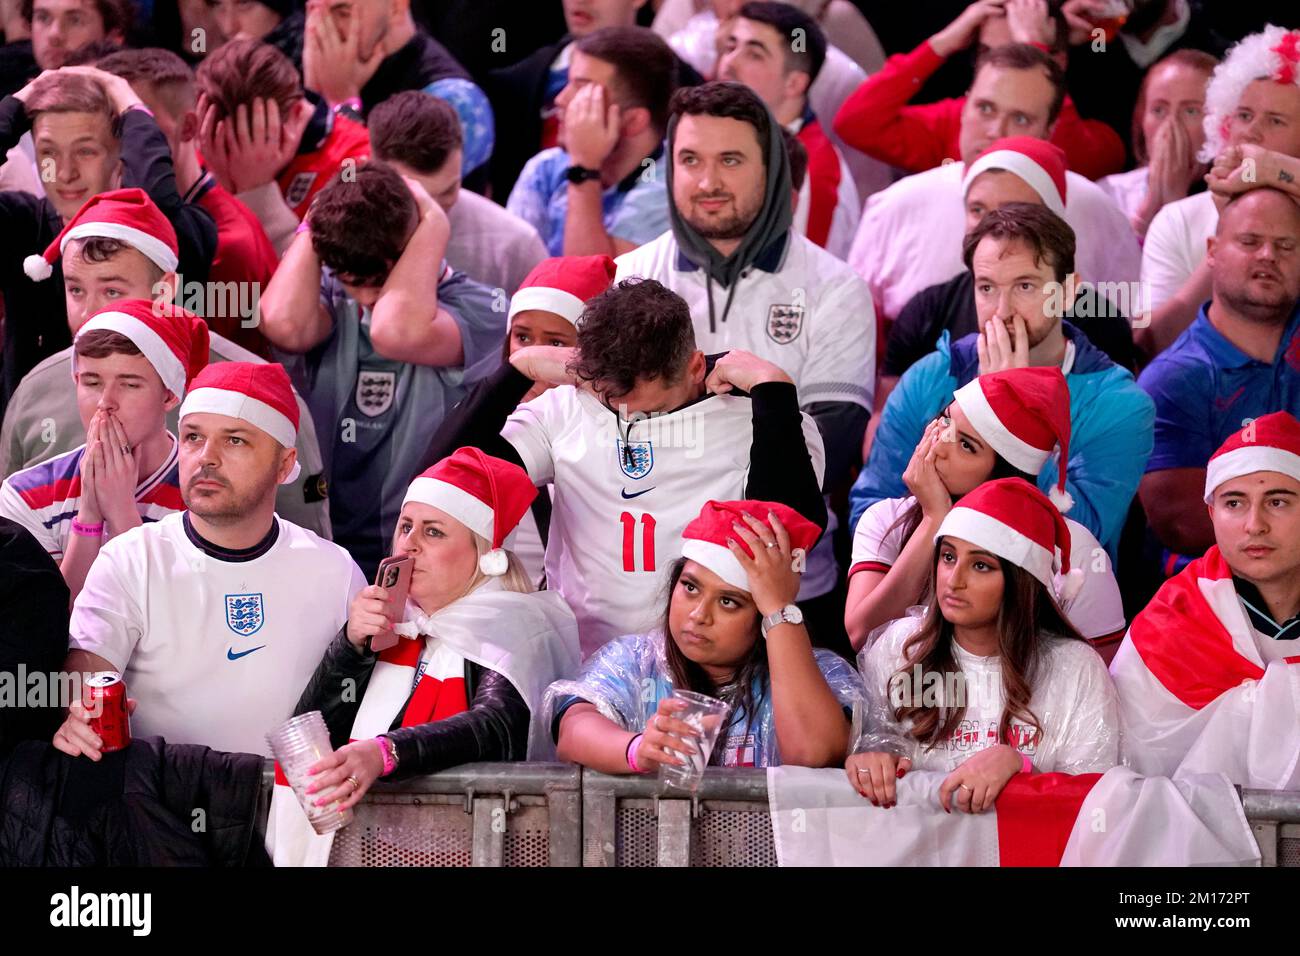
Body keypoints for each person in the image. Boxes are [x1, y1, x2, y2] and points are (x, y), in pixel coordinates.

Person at [422, 276, 827, 658]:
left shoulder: (766, 417)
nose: (630, 419)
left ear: (696, 367)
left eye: (647, 409)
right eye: (613, 404)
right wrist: (516, 371)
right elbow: (442, 481)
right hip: (579, 663)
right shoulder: (569, 407)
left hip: (707, 669)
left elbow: (789, 533)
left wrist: (773, 389)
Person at [615, 81, 875, 652]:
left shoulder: (835, 286)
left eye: (730, 160)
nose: (707, 182)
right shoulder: (628, 277)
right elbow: (614, 432)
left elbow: (828, 447)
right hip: (645, 596)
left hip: (790, 592)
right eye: (690, 160)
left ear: (772, 168)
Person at [267, 447, 581, 866]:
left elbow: (494, 727)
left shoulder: (517, 624)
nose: (409, 544)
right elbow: (308, 737)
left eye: (433, 532)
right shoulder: (397, 625)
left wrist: (384, 753)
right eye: (405, 526)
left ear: (485, 553)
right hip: (376, 850)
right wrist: (352, 647)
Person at [51, 361, 366, 759]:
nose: (206, 458)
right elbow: (85, 676)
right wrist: (79, 715)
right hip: (160, 810)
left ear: (285, 465)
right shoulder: (131, 558)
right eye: (193, 437)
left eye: (235, 440)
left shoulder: (335, 571)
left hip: (291, 813)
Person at [0, 188, 334, 539]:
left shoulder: (257, 393)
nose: (89, 313)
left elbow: (305, 547)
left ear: (165, 290)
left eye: (112, 291)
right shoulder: (36, 390)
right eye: (76, 290)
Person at [850, 203, 1155, 563]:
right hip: (927, 596)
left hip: (1050, 610)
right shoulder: (928, 376)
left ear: (1069, 291)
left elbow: (1074, 540)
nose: (1002, 310)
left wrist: (1008, 412)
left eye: (1025, 286)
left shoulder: (1120, 405)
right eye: (987, 288)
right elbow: (869, 513)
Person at [259, 162, 503, 578]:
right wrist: (316, 220)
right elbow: (281, 322)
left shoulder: (482, 307)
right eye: (352, 280)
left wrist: (433, 226)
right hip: (322, 548)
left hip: (420, 560)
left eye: (378, 278)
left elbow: (396, 332)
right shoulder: (330, 297)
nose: (365, 293)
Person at [846, 477, 1119, 811]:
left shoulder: (1076, 669)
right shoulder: (898, 649)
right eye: (947, 557)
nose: (954, 580)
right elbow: (872, 748)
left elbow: (1098, 806)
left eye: (980, 565)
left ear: (1021, 582)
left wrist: (1019, 766)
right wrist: (869, 762)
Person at [549, 497, 860, 773]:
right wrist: (637, 751)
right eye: (690, 587)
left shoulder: (821, 672)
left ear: (763, 616)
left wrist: (779, 608)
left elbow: (813, 755)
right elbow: (573, 729)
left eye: (728, 602)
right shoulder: (635, 659)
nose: (698, 615)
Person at [843, 43, 1140, 325]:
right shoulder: (895, 205)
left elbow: (1130, 327)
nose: (996, 131)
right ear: (964, 106)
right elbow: (854, 328)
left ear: (1050, 130)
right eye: (985, 108)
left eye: (1021, 118)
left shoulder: (1096, 209)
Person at [847, 367, 1124, 657]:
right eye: (945, 422)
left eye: (966, 445)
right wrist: (934, 520)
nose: (940, 446)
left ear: (1003, 474)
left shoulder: (1073, 550)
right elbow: (862, 635)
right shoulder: (886, 518)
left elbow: (1098, 678)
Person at [0, 66, 217, 413]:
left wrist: (129, 103)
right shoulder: (22, 225)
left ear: (122, 156)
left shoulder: (188, 229)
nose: (66, 172)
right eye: (49, 153)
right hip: (33, 450)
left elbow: (156, 206)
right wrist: (16, 104)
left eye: (86, 151)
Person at [1110, 412, 1300, 788]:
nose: (1254, 524)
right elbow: (1127, 777)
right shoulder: (1170, 624)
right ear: (1212, 514)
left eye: (1277, 502)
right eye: (1234, 503)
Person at [880, 137, 1136, 410]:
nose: (993, 223)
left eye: (1013, 211)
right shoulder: (926, 310)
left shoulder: (1101, 321)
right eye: (977, 209)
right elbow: (882, 424)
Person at [1138, 188, 1300, 574]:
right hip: (1211, 605)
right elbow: (1183, 525)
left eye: (1286, 245)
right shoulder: (1172, 379)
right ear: (1212, 250)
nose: (1268, 255)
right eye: (1249, 241)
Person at [0, 298, 207, 599]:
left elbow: (177, 621)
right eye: (92, 382)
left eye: (130, 384)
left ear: (170, 395)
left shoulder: (208, 494)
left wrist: (122, 513)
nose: (105, 401)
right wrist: (88, 517)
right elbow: (52, 627)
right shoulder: (25, 494)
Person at [95, 47, 281, 357]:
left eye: (140, 127)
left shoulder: (228, 245)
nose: (123, 147)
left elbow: (194, 371)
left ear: (190, 128)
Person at [833, 1, 1126, 181]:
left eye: (1017, 53)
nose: (997, 68)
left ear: (1056, 61)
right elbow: (855, 122)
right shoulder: (956, 119)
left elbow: (1059, 151)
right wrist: (943, 42)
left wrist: (1035, 52)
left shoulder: (1101, 139)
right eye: (987, 53)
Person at [1141, 25, 1300, 356]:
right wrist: (1229, 231)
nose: (1251, 132)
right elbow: (1151, 346)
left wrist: (1278, 172)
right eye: (1243, 115)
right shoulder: (1178, 220)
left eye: (1275, 121)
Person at [494, 255, 615, 586]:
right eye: (522, 337)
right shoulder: (481, 416)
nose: (534, 356)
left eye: (556, 343)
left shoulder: (610, 426)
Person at [507, 26, 677, 258]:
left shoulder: (670, 188)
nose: (560, 99)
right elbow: (516, 272)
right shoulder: (545, 169)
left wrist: (584, 169)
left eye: (583, 89)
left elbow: (596, 287)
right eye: (567, 83)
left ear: (633, 121)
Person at [194, 38, 370, 250]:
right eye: (225, 149)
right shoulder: (212, 143)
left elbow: (325, 279)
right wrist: (221, 187)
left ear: (297, 113)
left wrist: (256, 192)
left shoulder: (357, 162)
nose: (234, 163)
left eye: (247, 145)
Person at [369, 89, 547, 296]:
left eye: (447, 192)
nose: (433, 211)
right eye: (414, 197)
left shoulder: (515, 248)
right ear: (373, 165)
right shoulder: (342, 230)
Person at [716, 2, 859, 259]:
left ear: (794, 83)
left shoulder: (813, 175)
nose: (729, 62)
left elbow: (802, 286)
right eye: (730, 46)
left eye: (754, 54)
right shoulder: (717, 137)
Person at [486, 0, 664, 200]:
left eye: (583, 87)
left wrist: (584, 170)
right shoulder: (510, 84)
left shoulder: (683, 89)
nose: (580, 1)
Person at [298, 0, 494, 179]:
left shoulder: (455, 102)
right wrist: (311, 100)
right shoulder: (312, 67)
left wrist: (341, 107)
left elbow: (380, 204)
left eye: (342, 12)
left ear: (396, 7)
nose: (319, 28)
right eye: (313, 10)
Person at [1096, 49, 1217, 241]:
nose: (1170, 125)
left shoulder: (1230, 205)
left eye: (1191, 111)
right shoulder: (1107, 195)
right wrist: (1148, 208)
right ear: (1142, 119)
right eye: (1159, 110)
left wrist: (1175, 204)